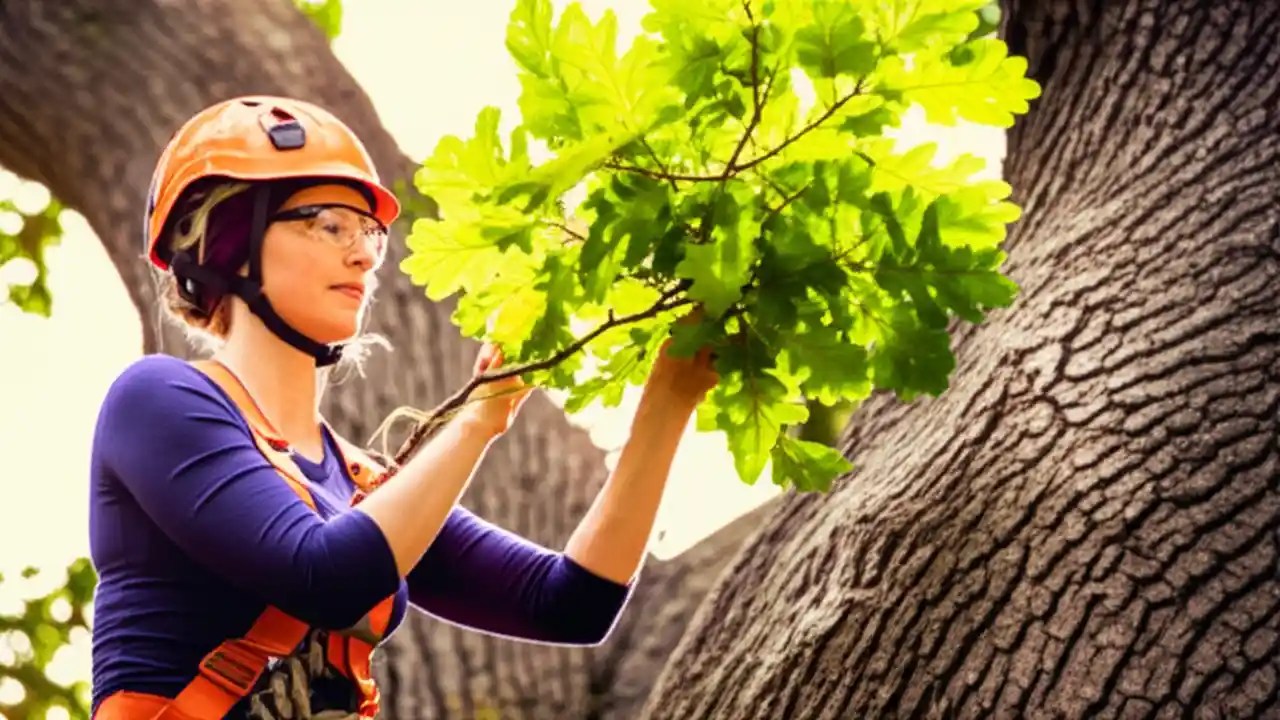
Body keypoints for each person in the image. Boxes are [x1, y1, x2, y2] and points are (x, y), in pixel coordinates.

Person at [88, 95, 718, 719]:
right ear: (229, 241)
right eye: (327, 224)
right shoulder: (156, 400)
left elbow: (571, 603)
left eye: (370, 233)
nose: (363, 254)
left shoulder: (360, 487)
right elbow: (324, 577)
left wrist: (668, 401)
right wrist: (479, 423)